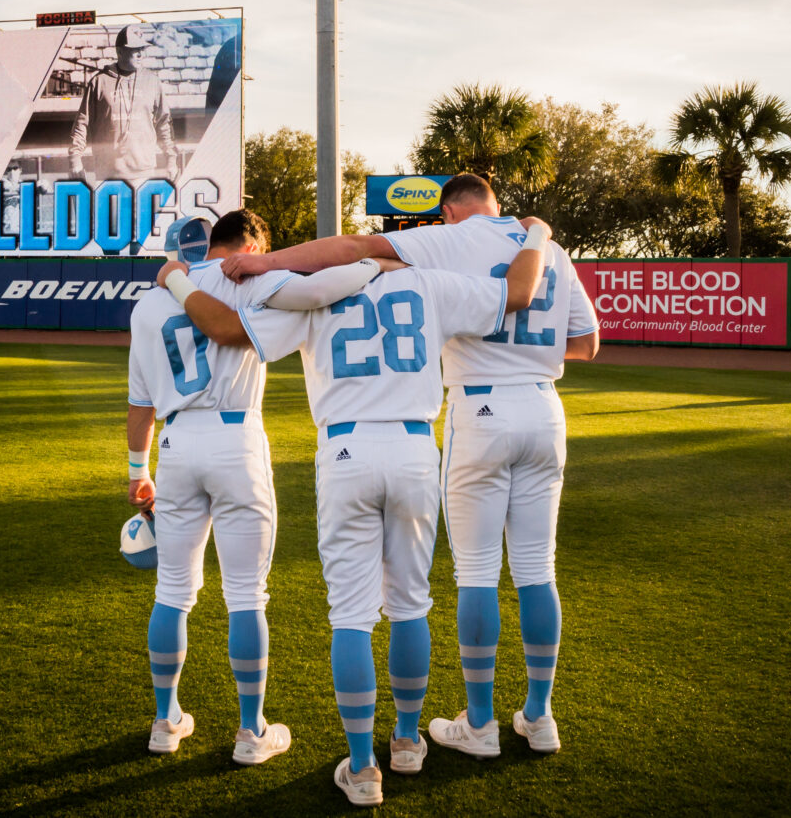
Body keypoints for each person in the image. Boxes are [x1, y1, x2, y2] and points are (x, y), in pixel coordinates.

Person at [158, 217, 551, 806]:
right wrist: (536, 235)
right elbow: (514, 298)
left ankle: (364, 768)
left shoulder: (321, 285)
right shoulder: (431, 280)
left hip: (343, 448)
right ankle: (409, 741)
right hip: (416, 443)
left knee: (351, 615)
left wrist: (182, 281)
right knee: (411, 604)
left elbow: (232, 332)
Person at [220, 173, 599, 758]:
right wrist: (539, 236)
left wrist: (256, 265)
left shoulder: (422, 255)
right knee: (525, 571)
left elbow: (314, 273)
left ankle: (445, 735)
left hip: (419, 425)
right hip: (527, 412)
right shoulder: (515, 257)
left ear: (447, 212)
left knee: (420, 590)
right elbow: (577, 339)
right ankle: (520, 719)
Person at [125, 209, 388, 764]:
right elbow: (321, 286)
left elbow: (140, 400)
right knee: (245, 593)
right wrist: (376, 260)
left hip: (174, 445)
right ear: (254, 244)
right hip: (235, 437)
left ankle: (164, 721)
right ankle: (250, 731)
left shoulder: (149, 303)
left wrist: (136, 471)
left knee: (172, 590)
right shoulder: (256, 276)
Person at [69, 24, 177, 185]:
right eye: (135, 49)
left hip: (143, 172)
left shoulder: (152, 81)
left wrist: (171, 159)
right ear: (120, 51)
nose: (140, 54)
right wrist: (75, 159)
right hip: (108, 173)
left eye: (142, 48)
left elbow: (164, 123)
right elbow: (81, 124)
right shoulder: (99, 82)